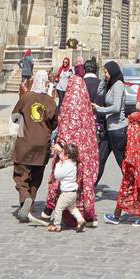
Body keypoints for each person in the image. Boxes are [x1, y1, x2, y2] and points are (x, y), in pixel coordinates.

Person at [41, 67, 99, 227]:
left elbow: (65, 128)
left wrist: (60, 145)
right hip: (84, 154)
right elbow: (90, 132)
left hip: (68, 152)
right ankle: (89, 217)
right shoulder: (86, 107)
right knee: (83, 185)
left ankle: (48, 213)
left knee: (57, 181)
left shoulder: (68, 106)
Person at [11, 69, 58, 223]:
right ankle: (30, 207)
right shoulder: (50, 101)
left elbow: (14, 116)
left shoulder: (26, 97)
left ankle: (25, 199)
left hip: (25, 142)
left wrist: (25, 122)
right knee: (36, 177)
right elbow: (55, 123)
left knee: (21, 176)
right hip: (42, 145)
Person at [104, 110, 140, 227]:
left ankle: (116, 216)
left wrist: (126, 166)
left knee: (125, 191)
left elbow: (129, 152)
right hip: (139, 170)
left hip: (131, 168)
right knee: (138, 193)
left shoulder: (131, 130)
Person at [94, 60, 129, 183]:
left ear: (113, 72)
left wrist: (99, 109)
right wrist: (104, 79)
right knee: (100, 158)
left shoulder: (118, 85)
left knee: (121, 161)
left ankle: (131, 187)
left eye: (106, 72)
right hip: (109, 129)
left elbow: (116, 107)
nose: (105, 74)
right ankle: (91, 187)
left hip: (117, 129)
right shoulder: (111, 84)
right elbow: (99, 92)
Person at [47, 142, 85, 232]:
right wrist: (59, 152)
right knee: (73, 208)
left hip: (66, 194)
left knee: (58, 209)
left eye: (63, 152)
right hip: (73, 193)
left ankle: (56, 226)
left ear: (67, 155)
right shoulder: (73, 162)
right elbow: (64, 156)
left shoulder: (65, 165)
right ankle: (81, 220)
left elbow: (57, 175)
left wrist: (58, 164)